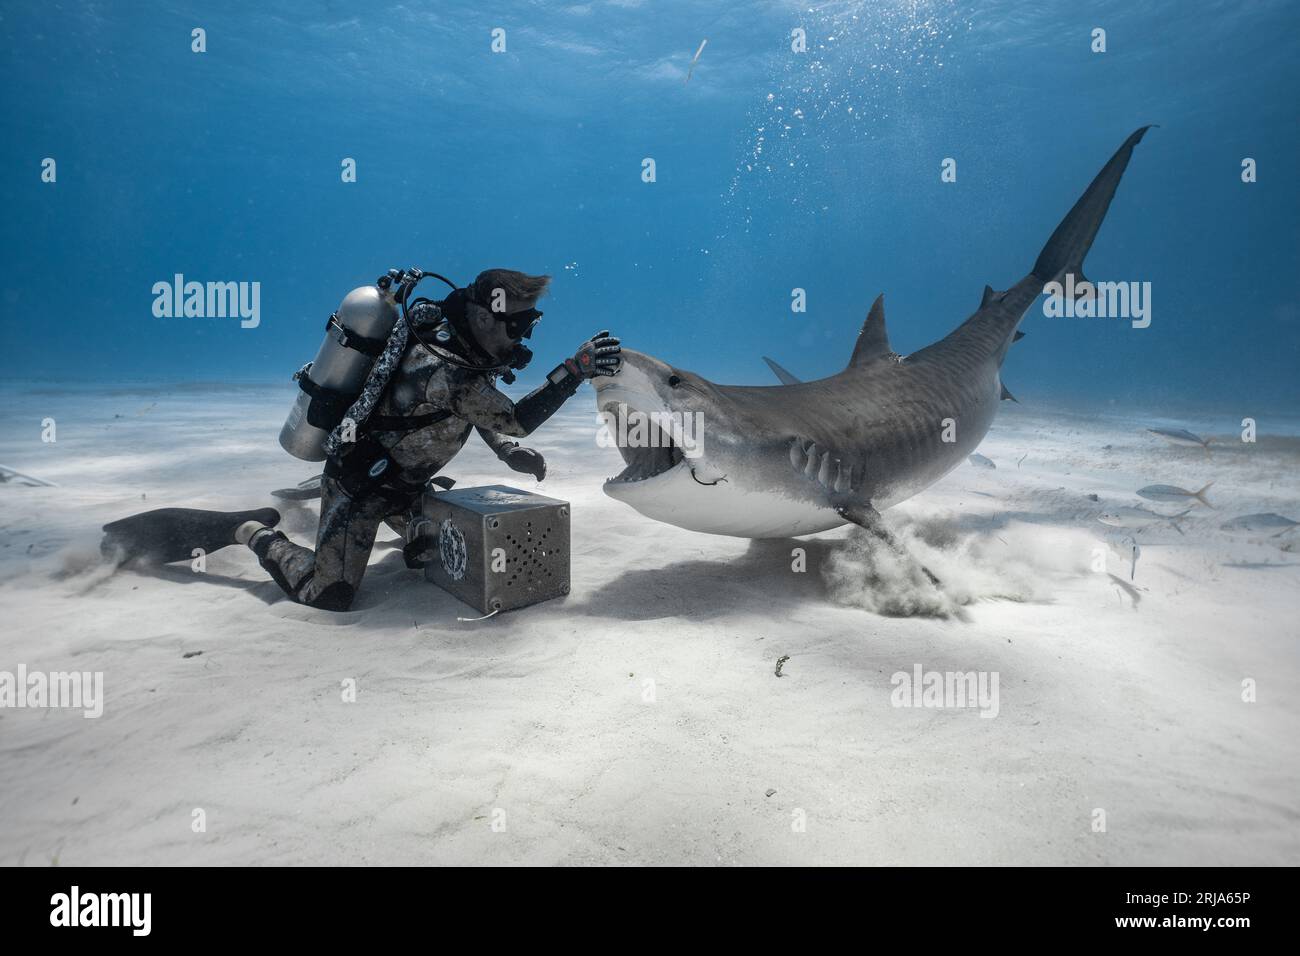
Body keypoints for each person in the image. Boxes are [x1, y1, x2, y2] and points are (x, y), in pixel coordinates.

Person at [236, 269, 620, 611]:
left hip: (409, 485)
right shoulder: (443, 366)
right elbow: (513, 418)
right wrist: (574, 370)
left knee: (458, 554)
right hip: (362, 488)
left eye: (531, 322)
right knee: (329, 594)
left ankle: (386, 515)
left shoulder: (463, 345)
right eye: (518, 326)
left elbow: (475, 406)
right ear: (484, 317)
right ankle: (256, 533)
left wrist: (505, 449)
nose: (525, 337)